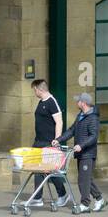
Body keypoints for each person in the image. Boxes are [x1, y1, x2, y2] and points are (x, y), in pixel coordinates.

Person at [54, 93, 105, 213]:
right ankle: (100, 199)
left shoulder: (93, 118)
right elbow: (71, 130)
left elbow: (93, 136)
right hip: (81, 153)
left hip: (88, 153)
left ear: (83, 103)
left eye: (78, 101)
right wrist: (59, 140)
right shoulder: (80, 116)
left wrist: (81, 146)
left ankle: (85, 204)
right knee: (86, 179)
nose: (76, 103)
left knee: (83, 180)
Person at [29, 79, 69, 207]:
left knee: (50, 170)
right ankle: (37, 197)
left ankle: (62, 194)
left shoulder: (52, 102)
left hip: (48, 141)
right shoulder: (41, 102)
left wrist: (57, 140)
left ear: (39, 89)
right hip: (38, 141)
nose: (34, 92)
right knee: (37, 169)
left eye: (34, 90)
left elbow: (59, 122)